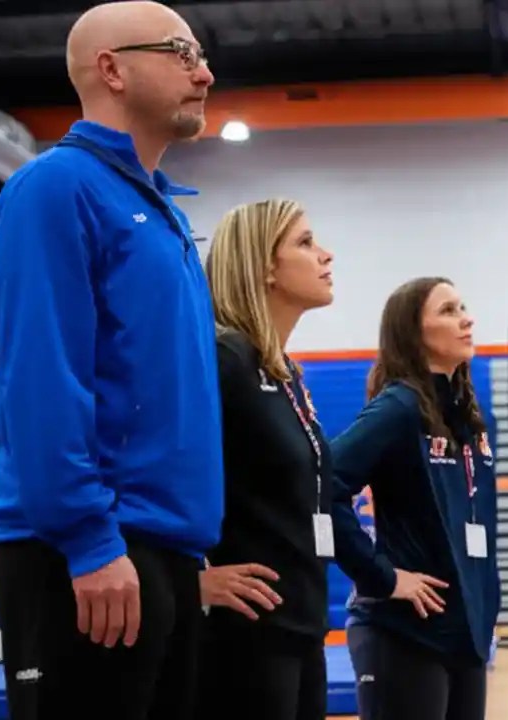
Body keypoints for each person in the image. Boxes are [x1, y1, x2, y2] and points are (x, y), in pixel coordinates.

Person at [0, 3, 222, 719]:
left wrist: (186, 548)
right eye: (181, 52)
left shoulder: (166, 213)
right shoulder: (55, 188)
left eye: (201, 55)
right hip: (88, 550)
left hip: (163, 549)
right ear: (111, 68)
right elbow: (42, 378)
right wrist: (88, 539)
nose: (204, 72)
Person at [329, 277, 501, 720]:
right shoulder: (398, 408)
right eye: (448, 311)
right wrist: (380, 577)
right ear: (412, 331)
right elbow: (320, 485)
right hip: (404, 634)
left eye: (462, 306)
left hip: (463, 636)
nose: (467, 319)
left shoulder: (467, 414)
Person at [194, 199, 336, 720]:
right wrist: (188, 579)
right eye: (305, 243)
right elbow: (143, 467)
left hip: (301, 623)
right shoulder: (222, 358)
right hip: (244, 635)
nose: (326, 255)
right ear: (264, 266)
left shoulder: (283, 372)